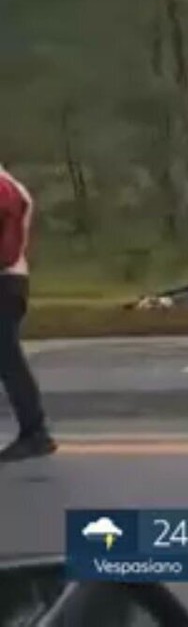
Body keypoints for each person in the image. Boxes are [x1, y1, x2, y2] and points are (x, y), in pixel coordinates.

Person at [0, 163, 54, 462]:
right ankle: (35, 431)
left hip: (4, 281)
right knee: (7, 359)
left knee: (8, 359)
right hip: (10, 280)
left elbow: (6, 249)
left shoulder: (2, 188)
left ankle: (35, 432)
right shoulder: (10, 185)